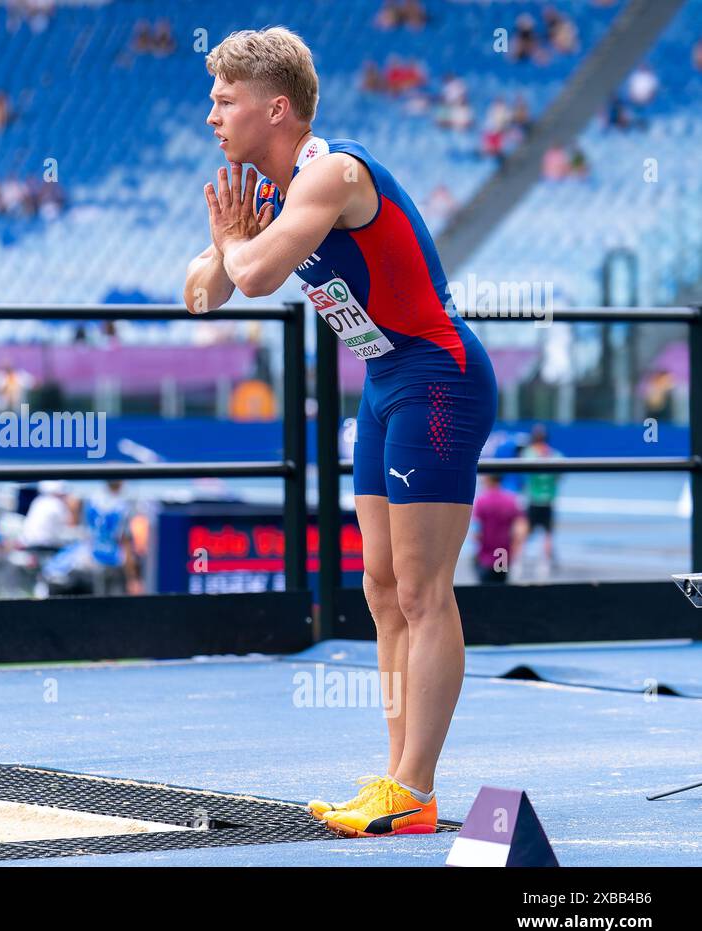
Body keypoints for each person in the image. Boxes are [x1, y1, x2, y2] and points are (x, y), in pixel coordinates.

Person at [187, 27, 498, 837]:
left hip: (438, 379)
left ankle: (417, 787)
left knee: (424, 593)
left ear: (276, 107)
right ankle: (399, 779)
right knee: (382, 590)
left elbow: (251, 278)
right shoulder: (277, 193)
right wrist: (230, 240)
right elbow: (201, 295)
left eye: (225, 100)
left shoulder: (332, 173)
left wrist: (235, 243)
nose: (212, 115)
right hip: (386, 384)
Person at [520, 423, 562, 574]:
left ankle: (517, 562)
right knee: (548, 533)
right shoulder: (555, 455)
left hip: (533, 500)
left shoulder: (528, 454)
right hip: (548, 500)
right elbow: (559, 477)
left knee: (524, 532)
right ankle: (544, 565)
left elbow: (524, 476)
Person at [471, 473, 527, 583]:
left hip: (486, 557)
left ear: (487, 479)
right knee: (500, 591)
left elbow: (477, 532)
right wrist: (516, 548)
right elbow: (521, 529)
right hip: (503, 556)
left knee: (485, 592)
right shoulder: (511, 500)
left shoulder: (482, 501)